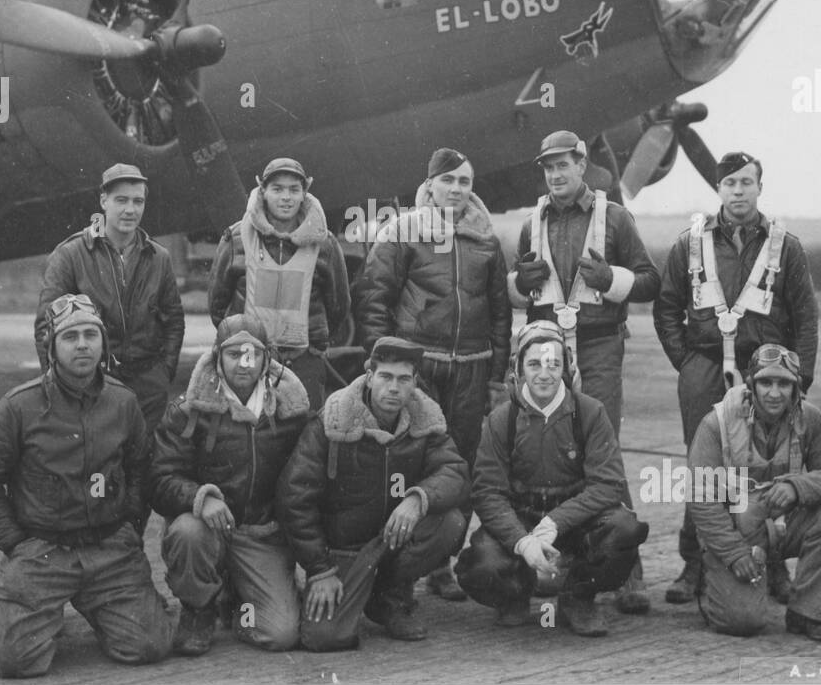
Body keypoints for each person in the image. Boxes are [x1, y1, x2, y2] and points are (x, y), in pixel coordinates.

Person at [0, 294, 173, 677]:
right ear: (52, 348)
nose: (82, 344)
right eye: (70, 336)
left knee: (150, 645)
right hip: (43, 550)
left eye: (91, 335)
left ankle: (100, 605)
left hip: (109, 548)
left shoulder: (124, 402)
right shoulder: (17, 407)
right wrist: (14, 543)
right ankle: (44, 612)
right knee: (9, 661)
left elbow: (141, 466)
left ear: (102, 344)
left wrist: (129, 524)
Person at [653, 151, 819, 605]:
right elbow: (667, 308)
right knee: (703, 466)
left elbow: (805, 317)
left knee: (772, 465)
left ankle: (775, 566)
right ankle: (694, 564)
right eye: (729, 182)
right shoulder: (689, 242)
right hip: (704, 365)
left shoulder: (786, 246)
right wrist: (686, 363)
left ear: (760, 188)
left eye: (747, 182)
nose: (738, 190)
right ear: (718, 189)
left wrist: (796, 379)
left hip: (766, 370)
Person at [509, 130, 660, 613]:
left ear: (583, 166)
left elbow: (651, 281)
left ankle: (628, 569)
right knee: (545, 445)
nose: (556, 175)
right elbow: (516, 290)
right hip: (547, 352)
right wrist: (520, 284)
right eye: (548, 168)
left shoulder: (615, 218)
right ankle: (542, 559)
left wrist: (610, 280)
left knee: (603, 449)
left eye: (564, 166)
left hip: (597, 347)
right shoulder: (531, 223)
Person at [354, 147, 511, 602]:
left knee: (456, 465)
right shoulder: (402, 231)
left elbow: (500, 313)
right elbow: (374, 299)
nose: (457, 190)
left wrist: (496, 376)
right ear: (430, 185)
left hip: (471, 371)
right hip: (417, 370)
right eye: (448, 181)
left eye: (464, 182)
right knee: (405, 462)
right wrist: (382, 365)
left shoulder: (486, 238)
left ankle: (441, 561)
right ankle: (391, 568)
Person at [456, 322, 649, 636]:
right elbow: (487, 493)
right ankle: (515, 594)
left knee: (624, 529)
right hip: (523, 518)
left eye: (553, 364)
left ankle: (578, 596)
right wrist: (523, 541)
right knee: (481, 565)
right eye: (533, 364)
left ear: (567, 369)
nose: (544, 374)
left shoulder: (590, 413)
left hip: (573, 523)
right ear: (517, 370)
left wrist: (557, 522)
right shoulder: (501, 420)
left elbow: (609, 485)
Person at [276, 337, 469, 651]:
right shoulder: (333, 419)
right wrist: (319, 569)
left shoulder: (424, 418)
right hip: (343, 550)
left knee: (449, 521)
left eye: (404, 379)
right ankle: (331, 591)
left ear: (414, 383)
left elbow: (455, 471)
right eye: (386, 377)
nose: (394, 388)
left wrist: (417, 498)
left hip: (392, 539)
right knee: (325, 638)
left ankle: (389, 598)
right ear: (369, 377)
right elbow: (295, 498)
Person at [149, 315, 311, 656]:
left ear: (268, 357)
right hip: (210, 528)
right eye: (234, 353)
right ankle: (198, 610)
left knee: (280, 634)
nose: (244, 363)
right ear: (216, 356)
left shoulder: (291, 409)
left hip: (260, 533)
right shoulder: (188, 411)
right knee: (186, 532)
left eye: (253, 354)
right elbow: (160, 479)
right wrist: (199, 497)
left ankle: (240, 606)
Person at [687, 344, 821, 641]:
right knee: (743, 623)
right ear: (751, 385)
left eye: (784, 384)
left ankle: (807, 612)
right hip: (735, 531)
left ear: (796, 388)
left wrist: (797, 486)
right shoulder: (717, 423)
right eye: (766, 382)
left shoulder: (811, 419)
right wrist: (733, 552)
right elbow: (701, 500)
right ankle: (718, 577)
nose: (774, 393)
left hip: (781, 524)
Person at [34, 162, 186, 431]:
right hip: (94, 384)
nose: (130, 209)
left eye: (138, 201)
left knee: (144, 464)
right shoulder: (71, 254)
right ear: (104, 201)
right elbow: (46, 325)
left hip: (147, 386)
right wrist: (59, 382)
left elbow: (173, 320)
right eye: (121, 200)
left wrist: (164, 373)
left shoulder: (159, 257)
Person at [209, 157, 351, 410]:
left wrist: (317, 342)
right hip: (247, 356)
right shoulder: (236, 238)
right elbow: (218, 303)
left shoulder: (325, 244)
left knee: (305, 432)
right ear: (263, 191)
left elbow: (338, 304)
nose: (286, 197)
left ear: (304, 193)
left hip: (304, 359)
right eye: (277, 189)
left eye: (294, 189)